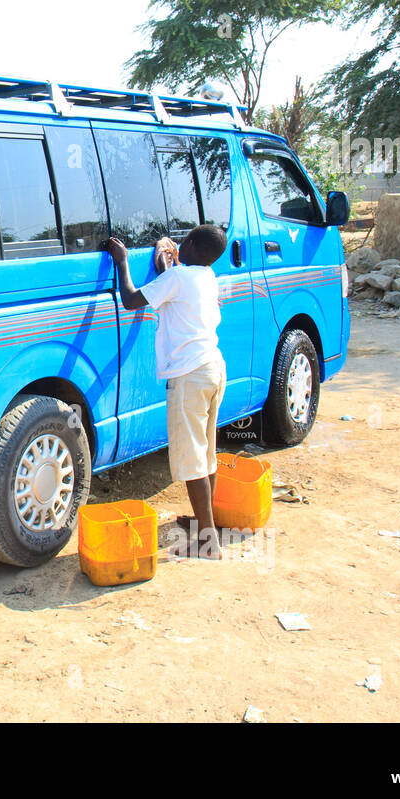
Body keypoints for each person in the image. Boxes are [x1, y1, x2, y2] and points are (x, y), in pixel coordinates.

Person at [107, 225, 229, 559]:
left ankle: (208, 543)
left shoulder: (178, 278)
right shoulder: (205, 276)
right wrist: (168, 267)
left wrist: (122, 260)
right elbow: (173, 288)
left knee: (191, 460)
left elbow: (132, 299)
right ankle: (207, 524)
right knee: (205, 453)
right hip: (213, 368)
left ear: (189, 245)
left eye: (184, 242)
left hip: (189, 376)